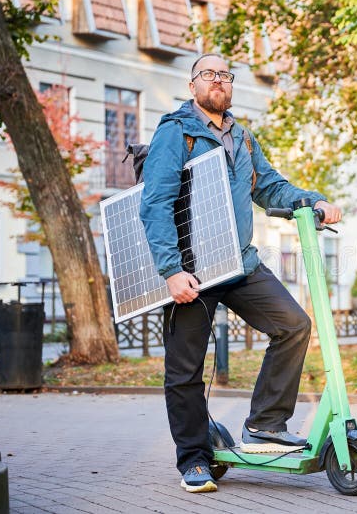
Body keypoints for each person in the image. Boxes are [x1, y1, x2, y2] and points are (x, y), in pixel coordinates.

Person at [139, 53, 342, 494]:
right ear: (193, 85)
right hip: (192, 270)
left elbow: (270, 187)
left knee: (293, 325)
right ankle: (194, 459)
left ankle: (265, 424)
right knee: (185, 369)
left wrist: (313, 200)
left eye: (225, 75)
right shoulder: (176, 132)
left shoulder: (243, 137)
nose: (218, 80)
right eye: (208, 74)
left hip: (239, 263)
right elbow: (155, 203)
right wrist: (171, 271)